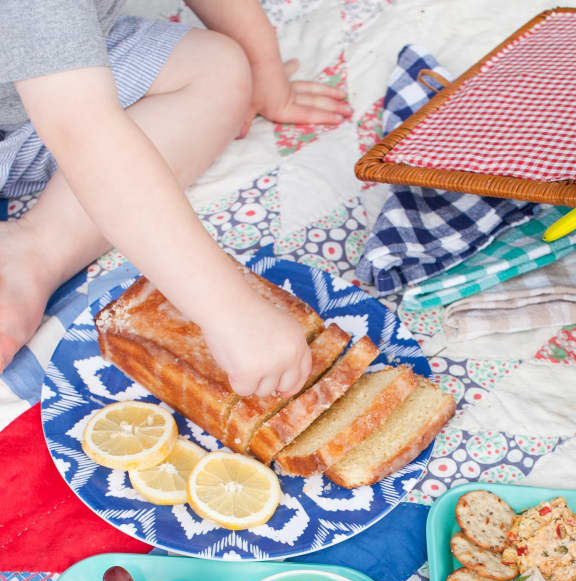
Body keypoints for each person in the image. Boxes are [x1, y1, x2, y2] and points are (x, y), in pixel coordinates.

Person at [0, 0, 352, 397]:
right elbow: (83, 135)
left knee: (219, 69)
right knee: (92, 141)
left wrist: (263, 70)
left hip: (53, 86)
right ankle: (35, 256)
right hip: (60, 104)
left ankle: (36, 247)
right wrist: (230, 311)